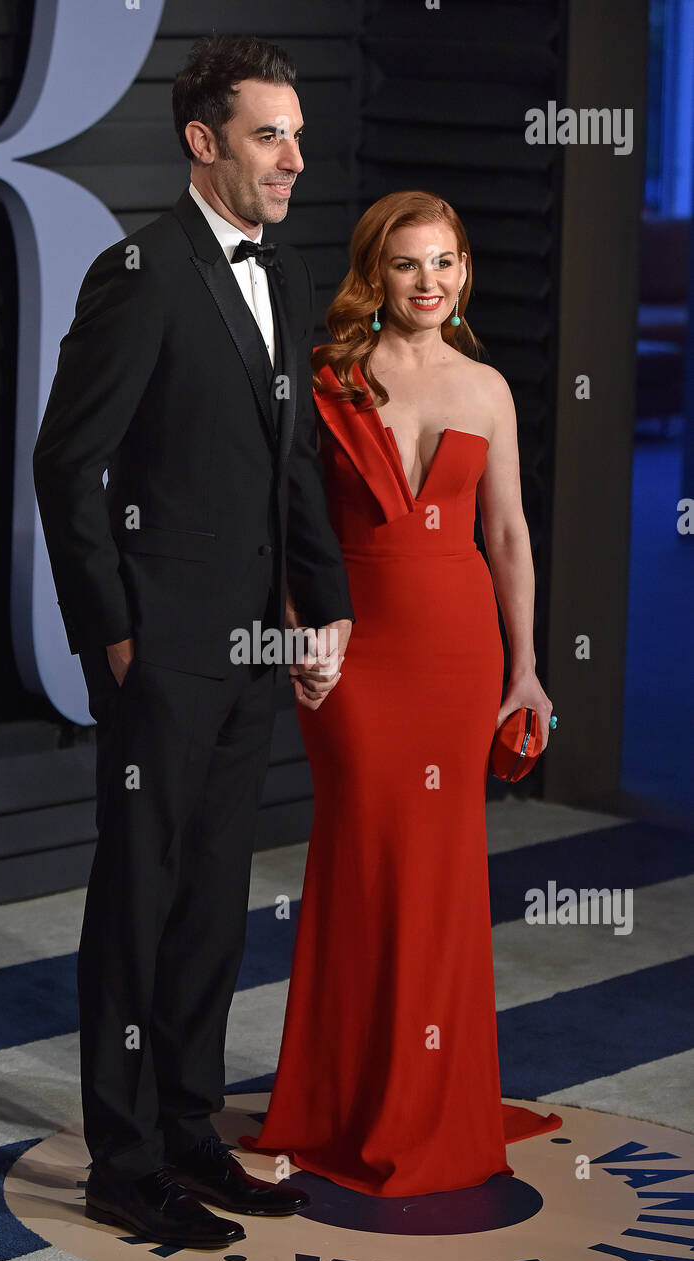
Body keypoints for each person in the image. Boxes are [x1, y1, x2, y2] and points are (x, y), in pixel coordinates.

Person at [32, 34, 352, 1249]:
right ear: (202, 142)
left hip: (253, 650)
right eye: (270, 134)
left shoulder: (288, 268)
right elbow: (69, 464)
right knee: (140, 899)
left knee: (215, 898)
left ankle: (187, 1129)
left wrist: (322, 610)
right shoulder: (142, 270)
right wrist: (111, 632)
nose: (294, 158)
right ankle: (123, 1160)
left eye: (298, 132)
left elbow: (294, 462)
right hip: (160, 652)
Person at [241, 191, 562, 1197]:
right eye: (408, 265)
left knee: (442, 873)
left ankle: (435, 1097)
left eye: (446, 263)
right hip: (355, 656)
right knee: (363, 859)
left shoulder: (489, 389)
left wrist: (525, 666)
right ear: (373, 275)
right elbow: (290, 522)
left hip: (460, 657)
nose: (430, 282)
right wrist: (301, 630)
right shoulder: (330, 378)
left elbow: (506, 536)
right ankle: (343, 1097)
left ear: (464, 273)